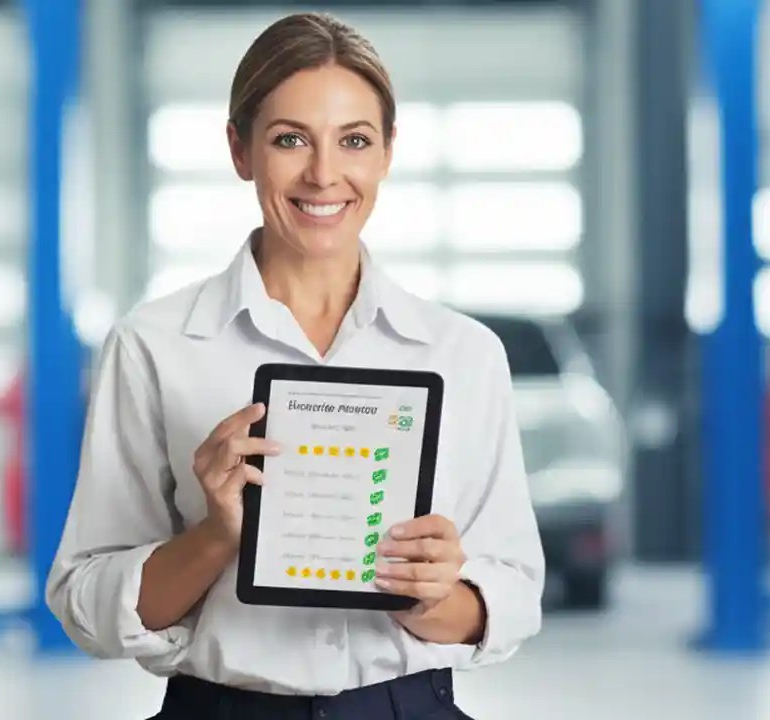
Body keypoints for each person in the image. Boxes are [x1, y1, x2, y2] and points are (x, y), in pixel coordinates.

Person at [46, 12, 545, 719]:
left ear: (387, 152)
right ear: (239, 149)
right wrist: (217, 536)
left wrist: (434, 596)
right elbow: (86, 605)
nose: (323, 174)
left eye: (354, 141)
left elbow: (516, 595)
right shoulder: (155, 346)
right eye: (289, 140)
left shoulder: (463, 354)